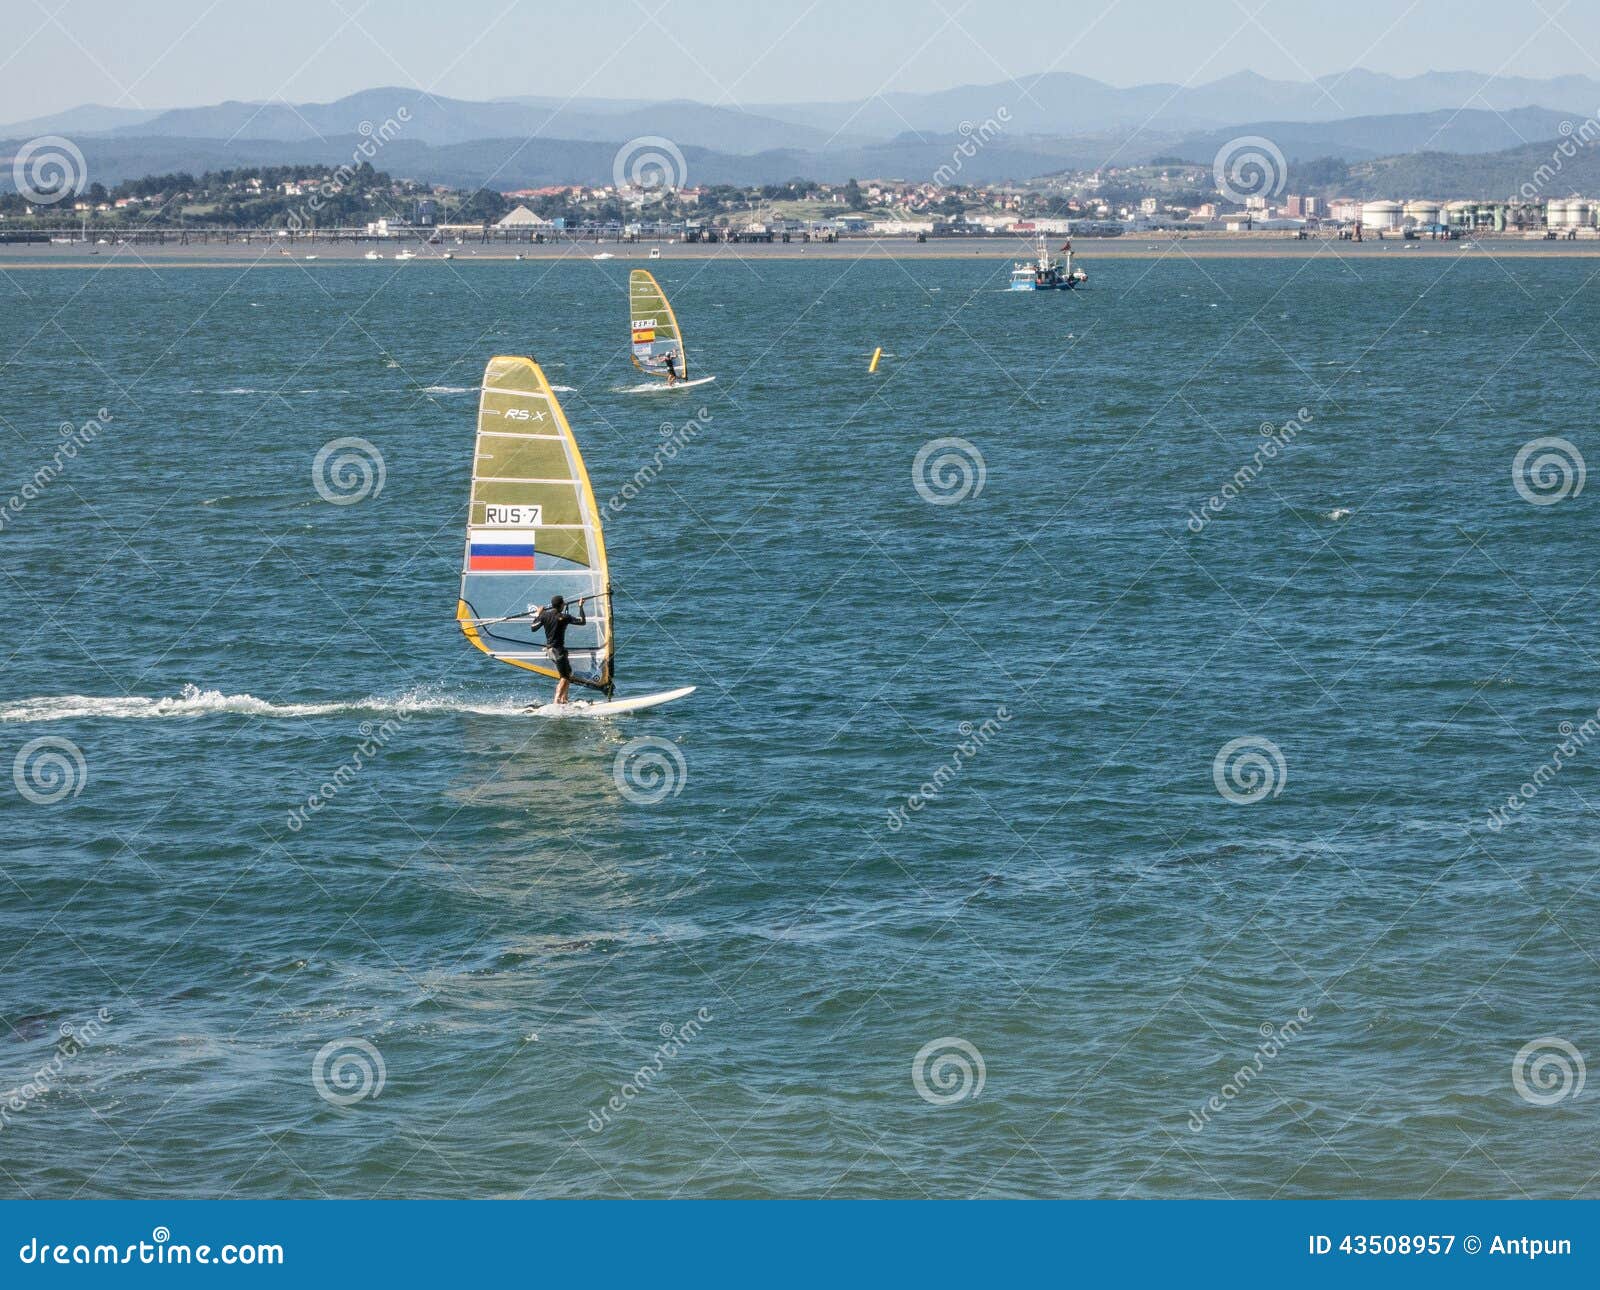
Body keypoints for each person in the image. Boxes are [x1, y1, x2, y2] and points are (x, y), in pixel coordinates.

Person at [532, 594, 586, 704]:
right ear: (561, 605)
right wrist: (580, 606)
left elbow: (533, 628)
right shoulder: (565, 617)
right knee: (565, 676)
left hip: (550, 650)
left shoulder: (545, 616)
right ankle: (556, 701)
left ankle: (564, 699)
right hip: (558, 651)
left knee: (568, 673)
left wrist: (538, 614)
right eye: (563, 603)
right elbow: (582, 621)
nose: (564, 604)